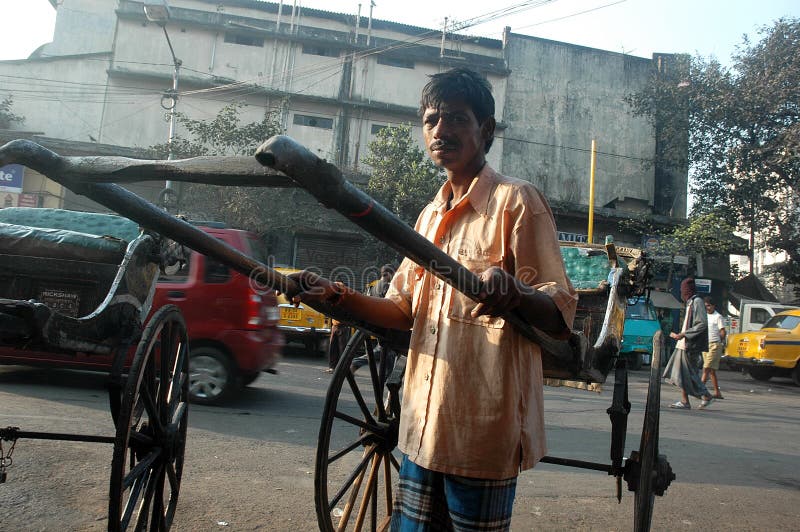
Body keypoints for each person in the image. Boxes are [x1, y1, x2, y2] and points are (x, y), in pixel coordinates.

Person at [284, 67, 577, 530]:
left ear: (486, 130)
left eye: (457, 118)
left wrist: (517, 291)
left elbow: (559, 307)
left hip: (482, 429)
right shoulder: (428, 215)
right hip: (420, 426)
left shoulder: (517, 202)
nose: (441, 130)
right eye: (431, 120)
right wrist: (334, 296)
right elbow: (402, 310)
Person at [663, 277, 715, 409]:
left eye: (683, 290)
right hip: (683, 344)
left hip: (690, 344)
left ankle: (705, 395)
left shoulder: (697, 302)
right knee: (682, 373)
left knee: (688, 373)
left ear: (688, 290)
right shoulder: (690, 303)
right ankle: (685, 400)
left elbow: (702, 324)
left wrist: (683, 334)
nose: (682, 293)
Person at [702, 296, 726, 399]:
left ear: (713, 306)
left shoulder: (718, 317)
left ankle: (700, 391)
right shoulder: (704, 316)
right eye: (705, 306)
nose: (707, 308)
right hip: (705, 345)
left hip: (714, 345)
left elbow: (723, 332)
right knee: (711, 371)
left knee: (706, 369)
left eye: (708, 306)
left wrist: (720, 340)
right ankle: (717, 392)